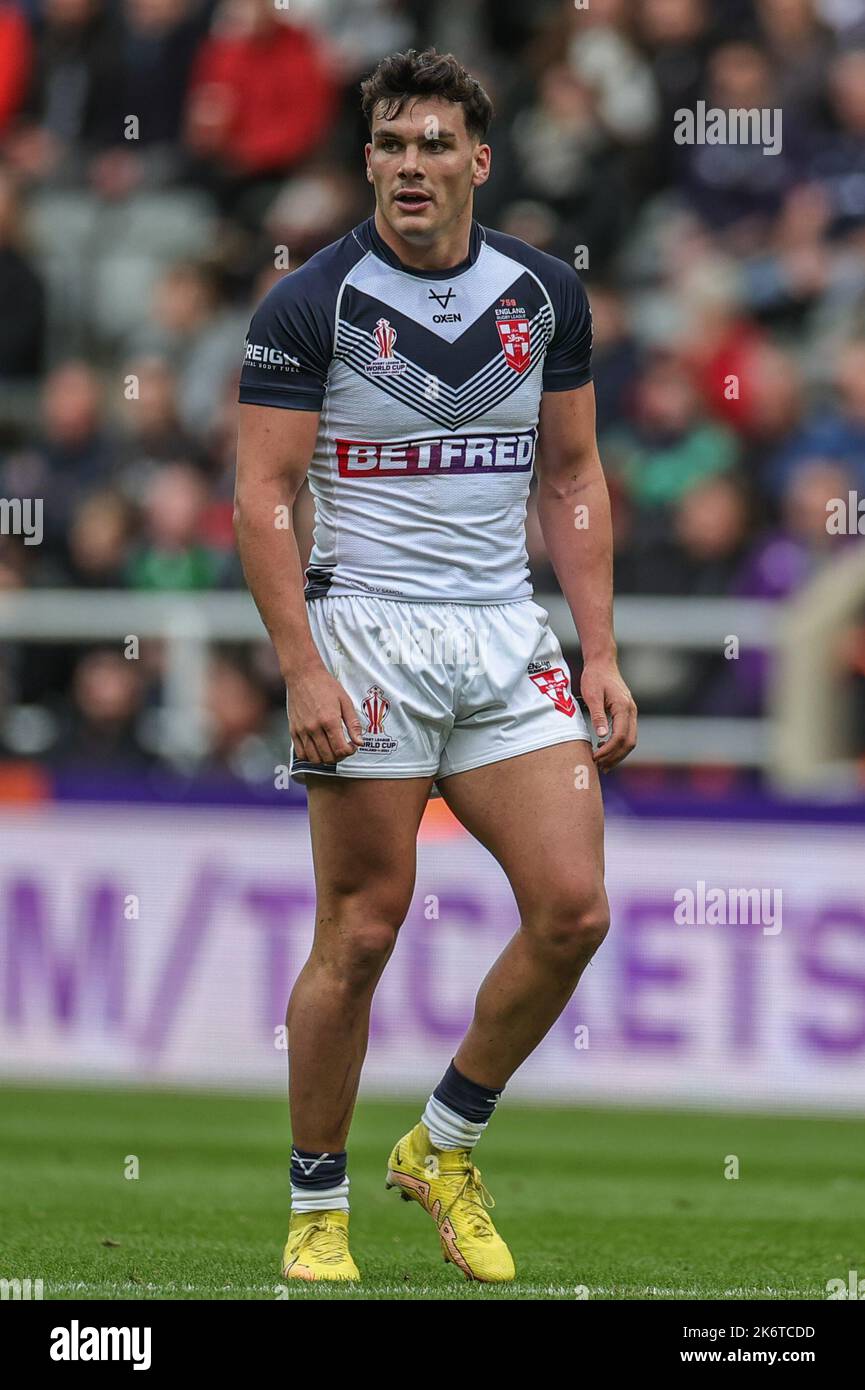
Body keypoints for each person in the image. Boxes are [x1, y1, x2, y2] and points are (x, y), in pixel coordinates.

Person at [234, 47, 637, 1284]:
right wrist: (301, 667)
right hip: (367, 635)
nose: (411, 167)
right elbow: (260, 496)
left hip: (503, 637)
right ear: (368, 161)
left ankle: (444, 1142)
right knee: (361, 931)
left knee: (573, 909)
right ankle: (316, 1207)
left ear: (479, 160)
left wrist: (601, 648)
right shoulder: (312, 302)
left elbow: (569, 474)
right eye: (389, 145)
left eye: (433, 145)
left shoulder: (541, 291)